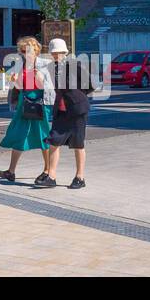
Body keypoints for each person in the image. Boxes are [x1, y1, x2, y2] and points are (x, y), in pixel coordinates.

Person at [0, 36, 55, 183]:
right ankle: (11, 171)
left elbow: (51, 87)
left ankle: (47, 170)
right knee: (18, 133)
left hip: (41, 103)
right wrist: (15, 81)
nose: (22, 53)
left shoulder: (45, 64)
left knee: (44, 136)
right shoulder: (20, 64)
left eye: (25, 50)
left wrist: (39, 78)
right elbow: (21, 87)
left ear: (35, 50)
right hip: (24, 102)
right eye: (21, 51)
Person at [45, 37, 91, 189]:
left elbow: (89, 85)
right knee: (54, 141)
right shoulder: (52, 67)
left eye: (58, 53)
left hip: (77, 110)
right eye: (53, 53)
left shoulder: (75, 65)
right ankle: (51, 176)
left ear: (65, 52)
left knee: (78, 143)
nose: (56, 56)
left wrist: (77, 95)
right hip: (61, 110)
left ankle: (80, 177)